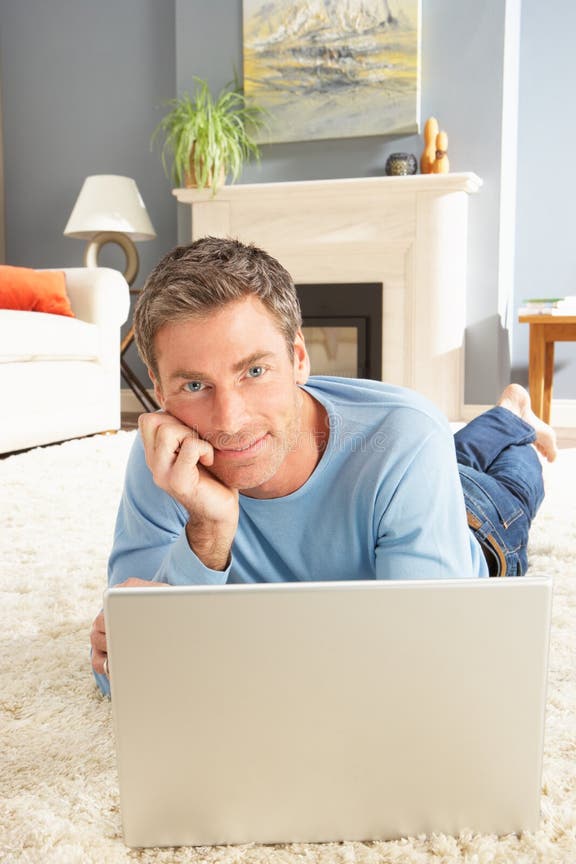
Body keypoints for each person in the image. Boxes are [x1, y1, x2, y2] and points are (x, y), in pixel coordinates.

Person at [90, 237, 556, 696]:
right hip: (396, 482)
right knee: (445, 456)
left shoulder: (405, 439)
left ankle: (514, 416)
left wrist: (203, 642)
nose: (229, 420)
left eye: (254, 371)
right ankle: (501, 419)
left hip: (477, 522)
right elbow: (127, 674)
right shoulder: (169, 453)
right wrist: (207, 533)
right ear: (157, 387)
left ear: (298, 359)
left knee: (513, 477)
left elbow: (419, 667)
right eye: (194, 384)